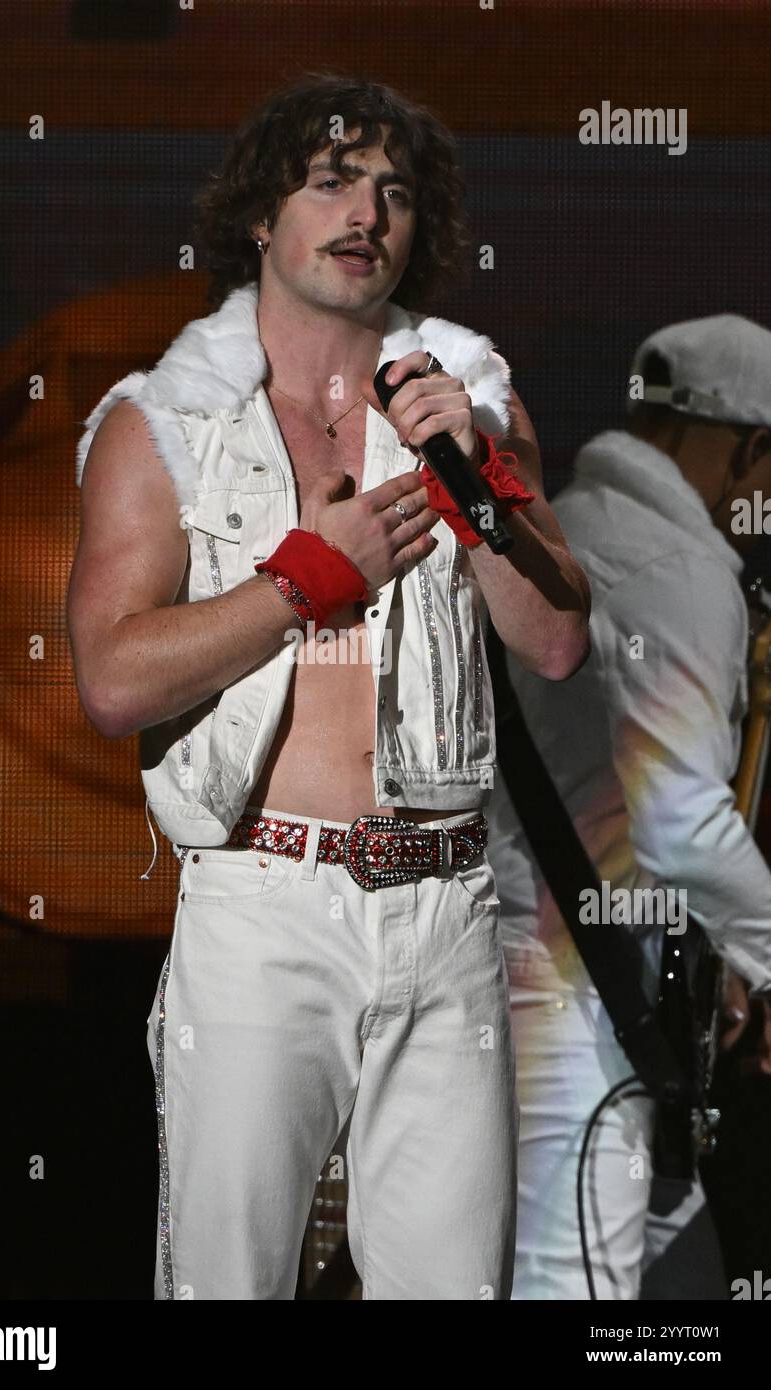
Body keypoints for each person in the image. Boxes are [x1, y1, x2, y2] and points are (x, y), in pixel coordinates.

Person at [67, 72, 590, 1301]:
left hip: (446, 907)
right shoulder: (166, 425)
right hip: (261, 905)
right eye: (333, 180)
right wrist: (309, 575)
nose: (368, 212)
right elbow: (109, 679)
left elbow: (557, 641)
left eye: (395, 193)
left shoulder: (467, 411)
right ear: (262, 215)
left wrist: (470, 482)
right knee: (227, 1284)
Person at [484, 313, 771, 1300]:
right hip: (579, 1016)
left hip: (520, 981)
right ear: (748, 449)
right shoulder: (680, 570)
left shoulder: (577, 532)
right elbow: (678, 822)